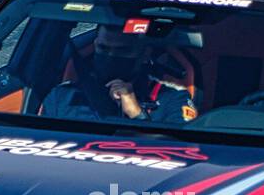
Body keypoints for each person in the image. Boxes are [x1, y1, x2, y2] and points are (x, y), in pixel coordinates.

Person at [41, 24, 196, 123]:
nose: (110, 56)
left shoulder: (172, 99)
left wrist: (138, 115)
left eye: (123, 51)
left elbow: (183, 152)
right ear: (95, 46)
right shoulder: (62, 96)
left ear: (144, 54)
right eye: (103, 48)